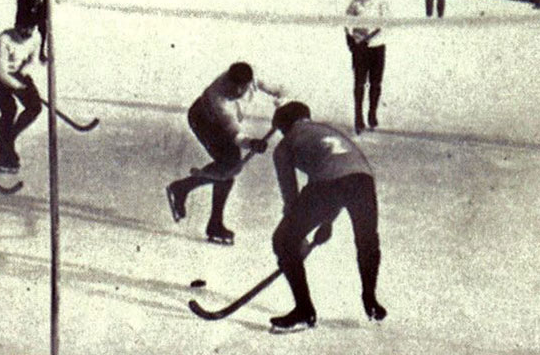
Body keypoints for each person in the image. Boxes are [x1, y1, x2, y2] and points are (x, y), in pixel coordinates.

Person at [268, 101, 385, 331]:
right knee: (367, 240)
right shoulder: (328, 130)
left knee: (283, 240)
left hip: (329, 183)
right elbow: (338, 169)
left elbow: (292, 196)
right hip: (363, 180)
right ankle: (370, 299)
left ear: (284, 127)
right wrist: (326, 220)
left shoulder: (285, 144)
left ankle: (303, 309)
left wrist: (294, 238)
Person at [165, 62, 286, 245]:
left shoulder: (254, 77)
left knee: (229, 168)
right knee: (229, 166)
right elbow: (236, 135)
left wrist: (281, 106)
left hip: (222, 123)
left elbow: (282, 91)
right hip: (204, 120)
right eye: (233, 84)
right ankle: (206, 213)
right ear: (228, 80)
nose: (237, 90)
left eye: (242, 86)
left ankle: (186, 191)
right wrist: (251, 143)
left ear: (250, 82)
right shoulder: (219, 99)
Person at [0, 14, 43, 173]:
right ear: (16, 25)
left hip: (16, 70)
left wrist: (23, 74)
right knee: (9, 109)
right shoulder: (5, 39)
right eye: (23, 27)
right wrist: (19, 86)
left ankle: (6, 139)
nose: (27, 32)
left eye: (31, 28)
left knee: (35, 107)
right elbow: (2, 74)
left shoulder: (36, 37)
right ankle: (5, 156)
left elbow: (33, 60)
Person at [345, 0, 389, 133]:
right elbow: (347, 21)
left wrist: (368, 40)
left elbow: (383, 25)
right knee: (359, 82)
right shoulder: (357, 2)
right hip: (359, 48)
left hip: (377, 46)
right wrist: (349, 38)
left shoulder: (382, 3)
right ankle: (358, 116)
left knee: (376, 83)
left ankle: (372, 113)